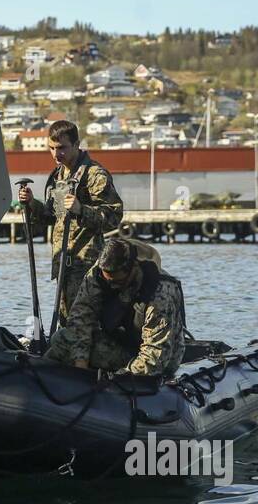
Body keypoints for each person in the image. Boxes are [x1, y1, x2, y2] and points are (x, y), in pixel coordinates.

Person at [16, 119, 124, 323]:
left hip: (87, 266)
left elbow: (114, 217)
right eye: (52, 148)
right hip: (63, 264)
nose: (56, 154)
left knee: (84, 323)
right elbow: (51, 215)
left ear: (76, 144)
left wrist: (81, 210)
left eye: (62, 148)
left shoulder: (94, 175)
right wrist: (31, 203)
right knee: (66, 322)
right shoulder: (60, 175)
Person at [46, 237, 186, 379]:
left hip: (161, 357)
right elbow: (81, 319)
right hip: (121, 342)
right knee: (62, 338)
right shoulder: (98, 275)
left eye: (117, 282)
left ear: (133, 269)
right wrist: (81, 363)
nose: (112, 286)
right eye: (108, 281)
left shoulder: (160, 292)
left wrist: (117, 379)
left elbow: (155, 356)